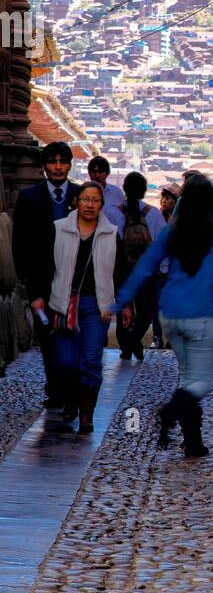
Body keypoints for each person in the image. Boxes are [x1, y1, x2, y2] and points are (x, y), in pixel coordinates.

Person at [114, 173, 213, 458]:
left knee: (186, 377)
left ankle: (192, 440)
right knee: (201, 382)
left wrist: (122, 299)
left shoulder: (173, 230)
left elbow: (147, 265)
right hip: (203, 313)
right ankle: (170, 412)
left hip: (171, 313)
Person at [48, 181, 130, 434]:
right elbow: (46, 265)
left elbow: (121, 271)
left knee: (92, 359)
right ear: (76, 201)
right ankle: (72, 397)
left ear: (102, 205)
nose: (90, 205)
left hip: (97, 304)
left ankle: (86, 413)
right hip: (64, 302)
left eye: (95, 200)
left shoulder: (111, 234)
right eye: (85, 199)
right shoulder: (58, 230)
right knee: (66, 361)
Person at [12, 141, 80, 408]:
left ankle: (70, 387)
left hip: (74, 282)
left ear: (69, 165)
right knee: (48, 337)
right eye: (52, 161)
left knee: (72, 335)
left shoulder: (80, 195)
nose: (58, 167)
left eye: (63, 161)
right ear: (44, 166)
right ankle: (56, 388)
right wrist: (29, 285)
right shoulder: (30, 197)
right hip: (42, 285)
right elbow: (21, 243)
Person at [106, 172, 165, 361]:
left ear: (124, 189)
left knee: (124, 306)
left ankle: (126, 345)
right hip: (147, 271)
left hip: (121, 269)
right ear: (144, 191)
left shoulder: (112, 213)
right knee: (146, 311)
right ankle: (134, 340)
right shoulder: (153, 214)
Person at [151, 184, 180, 349]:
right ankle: (157, 337)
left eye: (168, 198)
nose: (164, 201)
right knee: (156, 305)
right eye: (163, 197)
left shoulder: (179, 222)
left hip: (174, 270)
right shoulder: (157, 218)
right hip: (159, 269)